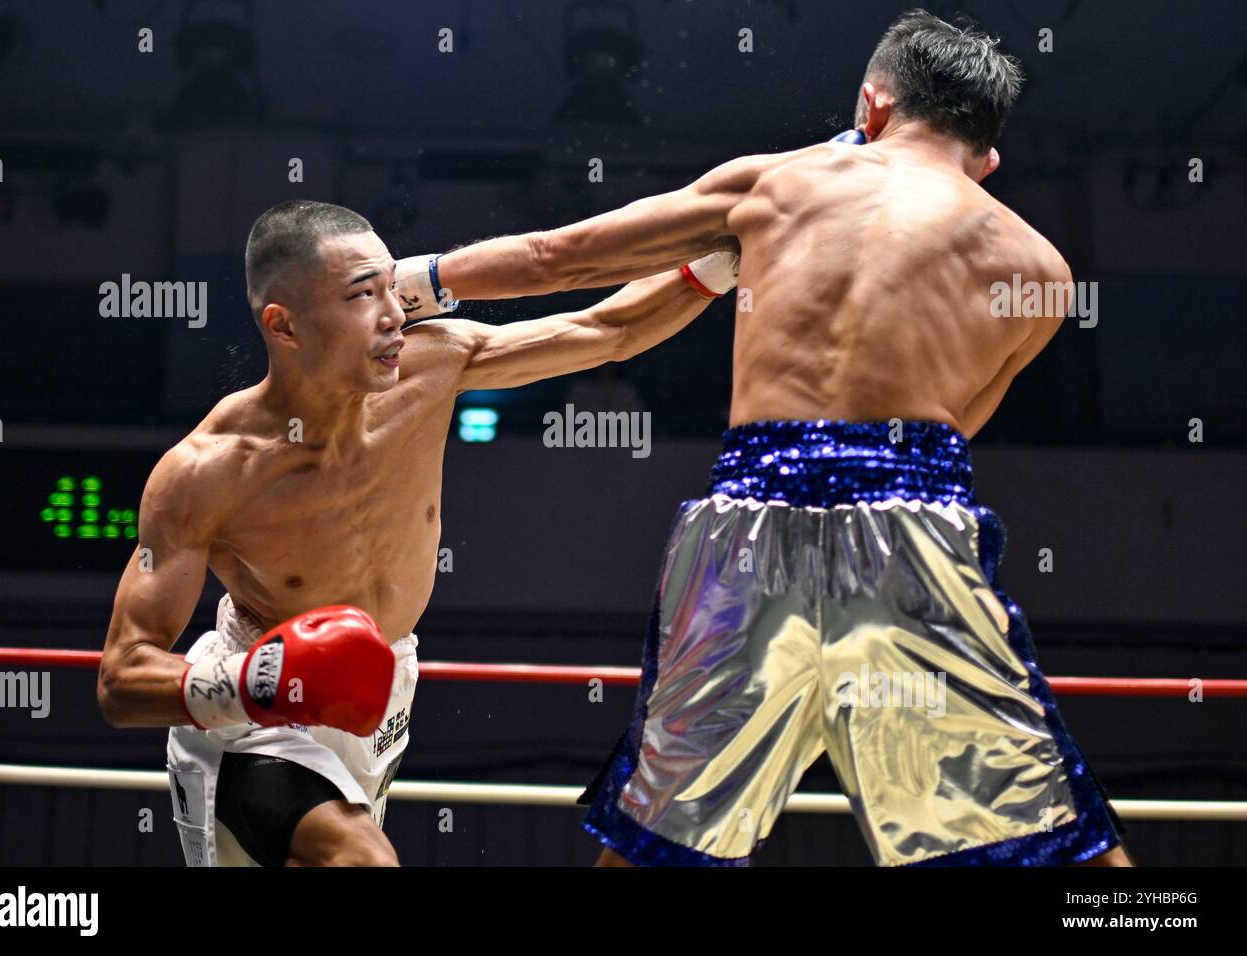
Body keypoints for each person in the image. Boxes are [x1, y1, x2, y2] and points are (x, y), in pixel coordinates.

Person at [425, 10, 1132, 867]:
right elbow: (956, 428)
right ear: (988, 158)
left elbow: (554, 256)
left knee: (659, 833)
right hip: (910, 521)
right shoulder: (1042, 273)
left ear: (871, 104)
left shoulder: (777, 184)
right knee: (1049, 837)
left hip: (750, 518)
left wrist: (406, 283)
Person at [96, 198, 738, 867]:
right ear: (283, 327)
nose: (394, 314)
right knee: (363, 860)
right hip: (253, 725)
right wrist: (257, 681)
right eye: (361, 295)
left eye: (390, 286)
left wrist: (722, 259)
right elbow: (120, 679)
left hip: (386, 697)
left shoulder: (433, 366)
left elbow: (609, 330)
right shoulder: (208, 472)